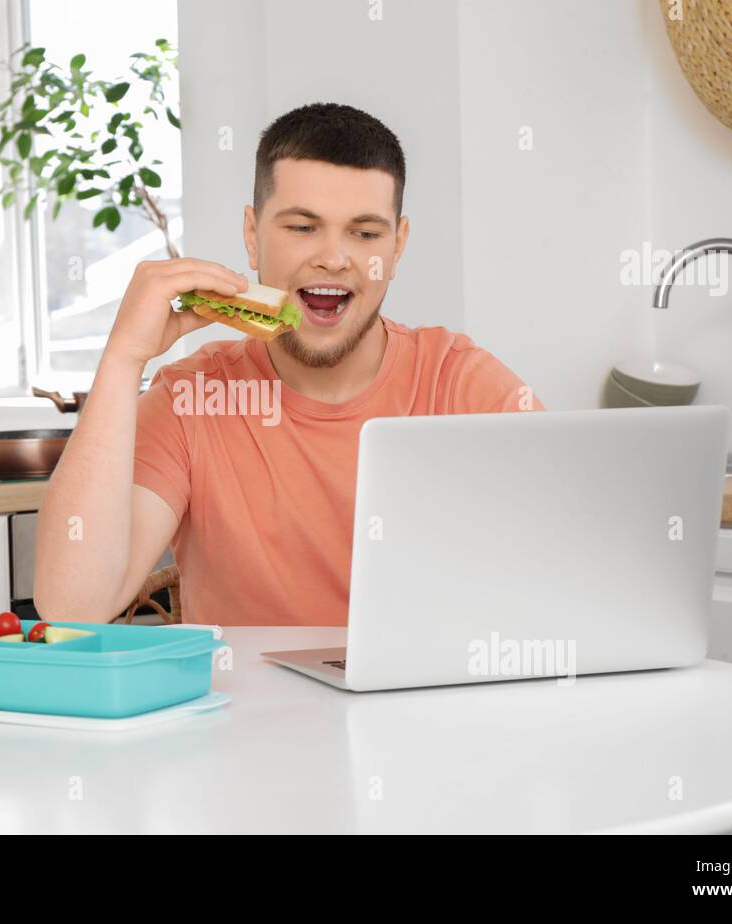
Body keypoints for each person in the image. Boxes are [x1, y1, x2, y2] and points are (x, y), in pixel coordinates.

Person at [34, 102, 544, 626]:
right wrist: (123, 358)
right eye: (302, 227)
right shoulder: (192, 398)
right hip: (246, 709)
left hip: (427, 705)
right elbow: (74, 606)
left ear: (397, 247)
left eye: (366, 234)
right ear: (253, 236)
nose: (334, 257)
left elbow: (566, 561)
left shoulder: (458, 384)